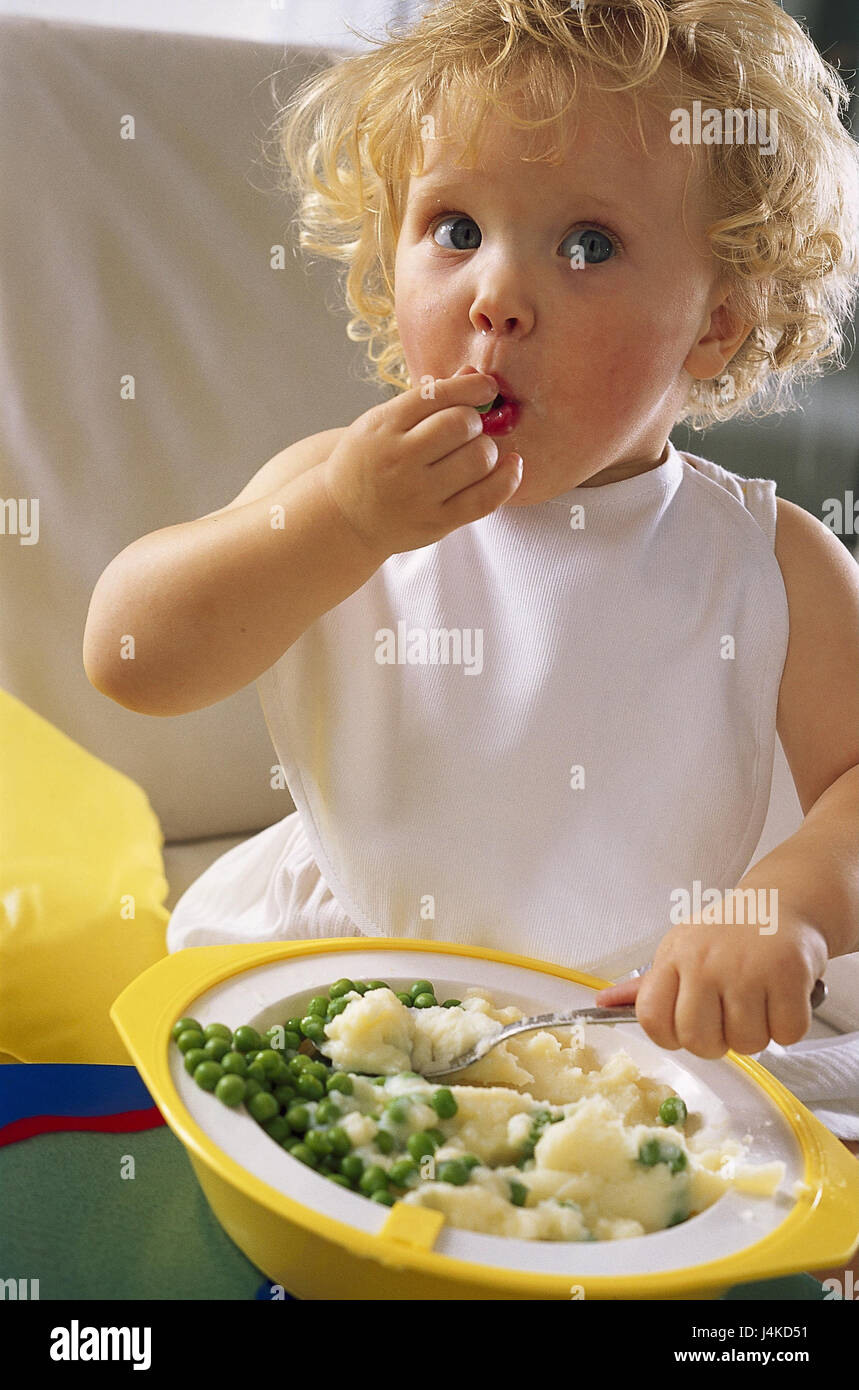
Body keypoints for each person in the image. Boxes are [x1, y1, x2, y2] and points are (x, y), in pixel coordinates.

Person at [84, 0, 859, 1067]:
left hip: (645, 1025)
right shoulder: (336, 493)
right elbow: (131, 655)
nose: (496, 294)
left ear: (715, 322)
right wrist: (336, 525)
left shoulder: (771, 563)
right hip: (356, 986)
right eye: (455, 231)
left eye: (587, 245)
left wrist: (789, 907)